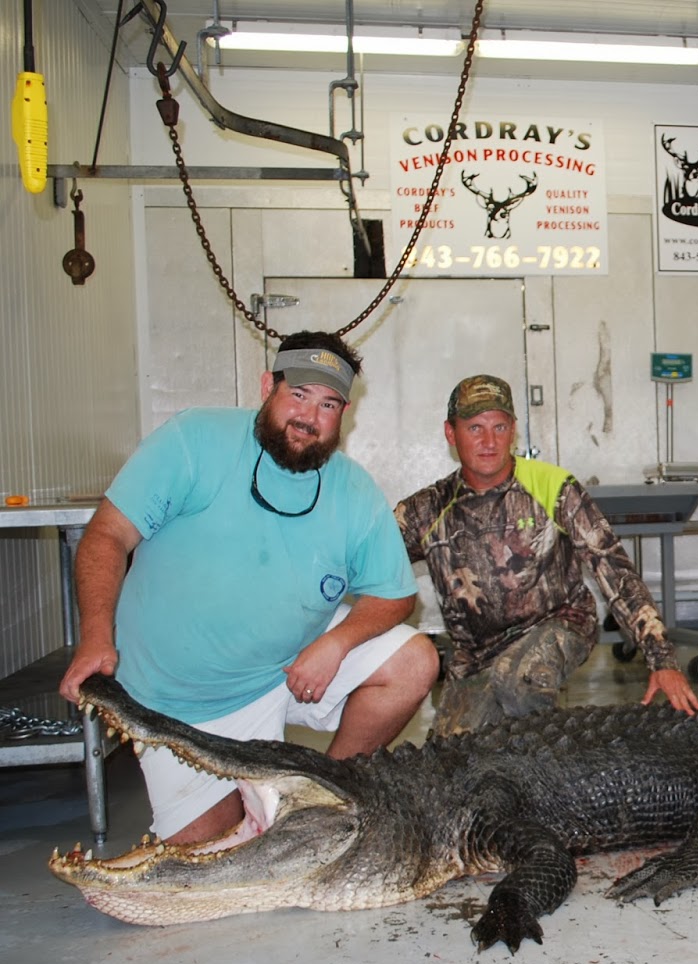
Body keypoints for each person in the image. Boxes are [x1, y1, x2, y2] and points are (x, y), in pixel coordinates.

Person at [59, 332, 439, 845]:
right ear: (267, 387)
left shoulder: (354, 490)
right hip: (177, 704)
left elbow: (394, 594)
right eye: (298, 395)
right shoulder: (195, 440)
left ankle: (322, 803)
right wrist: (95, 635)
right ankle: (243, 807)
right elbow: (106, 536)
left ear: (344, 414)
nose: (309, 416)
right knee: (212, 854)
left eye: (328, 404)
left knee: (414, 662)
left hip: (285, 669)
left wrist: (336, 643)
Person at [394, 374, 698, 735]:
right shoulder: (425, 510)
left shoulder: (553, 487)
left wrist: (662, 659)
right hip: (476, 655)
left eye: (499, 427)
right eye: (475, 428)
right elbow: (366, 563)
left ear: (513, 430)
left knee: (518, 680)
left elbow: (614, 569)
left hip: (560, 623)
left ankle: (550, 767)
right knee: (449, 755)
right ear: (451, 433)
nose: (489, 441)